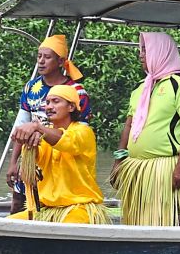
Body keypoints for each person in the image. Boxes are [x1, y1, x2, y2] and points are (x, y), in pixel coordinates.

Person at [112, 32, 180, 226]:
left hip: (165, 170)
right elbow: (129, 125)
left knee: (165, 221)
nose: (141, 55)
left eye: (145, 50)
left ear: (161, 51)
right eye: (140, 50)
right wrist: (119, 161)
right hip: (136, 168)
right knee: (136, 222)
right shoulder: (140, 87)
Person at [6, 35, 90, 213]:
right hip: (33, 156)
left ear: (60, 61)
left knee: (48, 204)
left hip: (61, 160)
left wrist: (40, 129)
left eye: (47, 57)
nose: (41, 62)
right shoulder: (31, 87)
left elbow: (78, 133)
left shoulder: (76, 91)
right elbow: (21, 125)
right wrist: (13, 162)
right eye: (39, 56)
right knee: (18, 205)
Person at [7, 85, 109, 224]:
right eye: (47, 102)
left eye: (55, 101)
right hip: (45, 209)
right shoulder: (43, 134)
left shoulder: (84, 132)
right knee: (9, 223)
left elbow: (64, 139)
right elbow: (36, 156)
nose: (49, 106)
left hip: (78, 207)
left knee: (69, 228)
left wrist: (37, 127)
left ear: (71, 107)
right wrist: (28, 140)